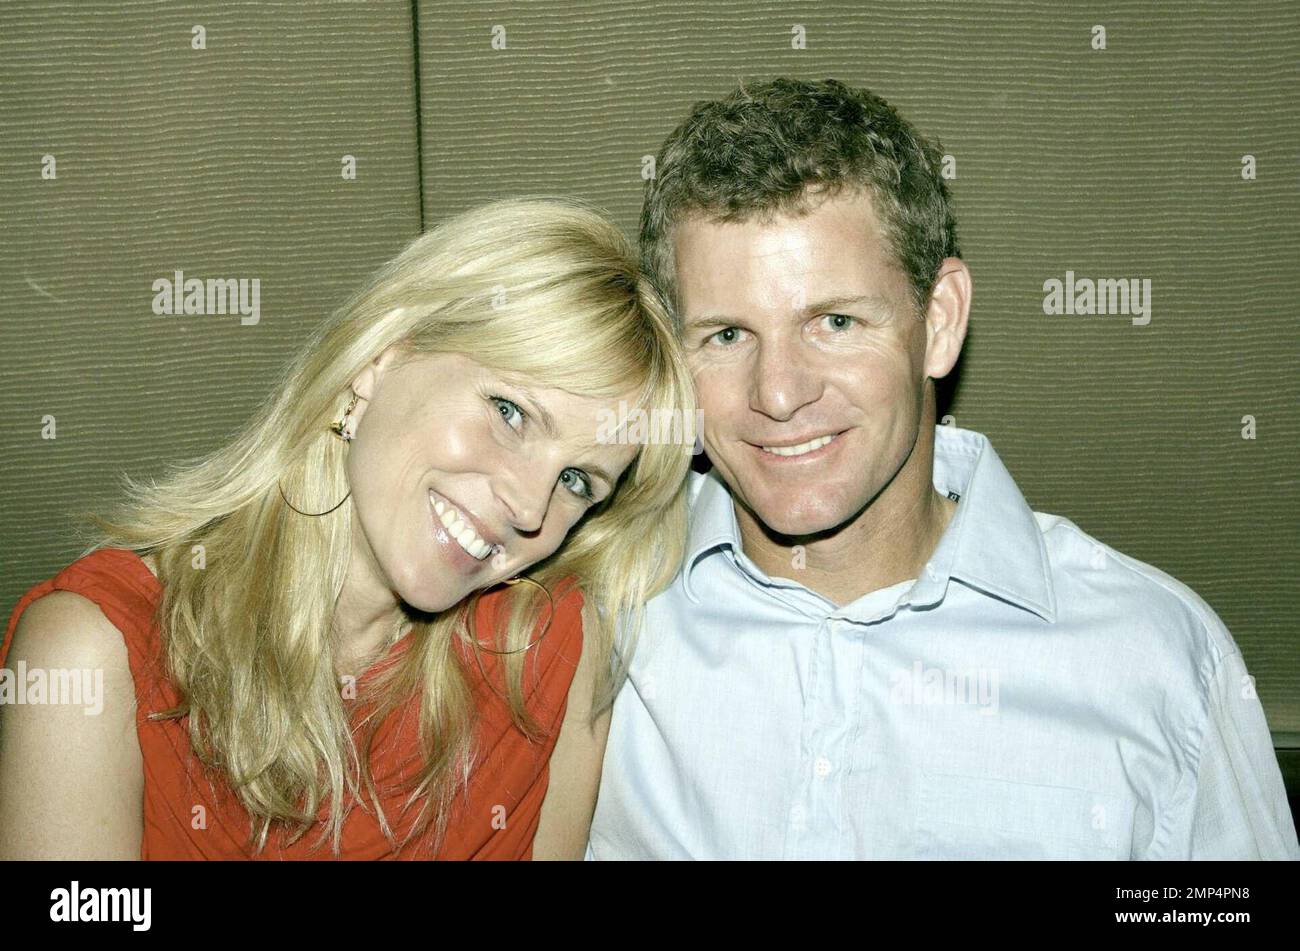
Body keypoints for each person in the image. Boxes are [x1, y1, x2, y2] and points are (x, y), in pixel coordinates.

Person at [585, 77, 1300, 859]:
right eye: (726, 336)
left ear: (941, 321)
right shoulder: (592, 618)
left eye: (835, 321)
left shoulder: (1157, 658)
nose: (780, 392)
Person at [0, 196, 696, 860]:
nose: (528, 506)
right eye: (511, 412)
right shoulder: (95, 656)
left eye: (577, 480)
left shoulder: (546, 652)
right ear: (380, 358)